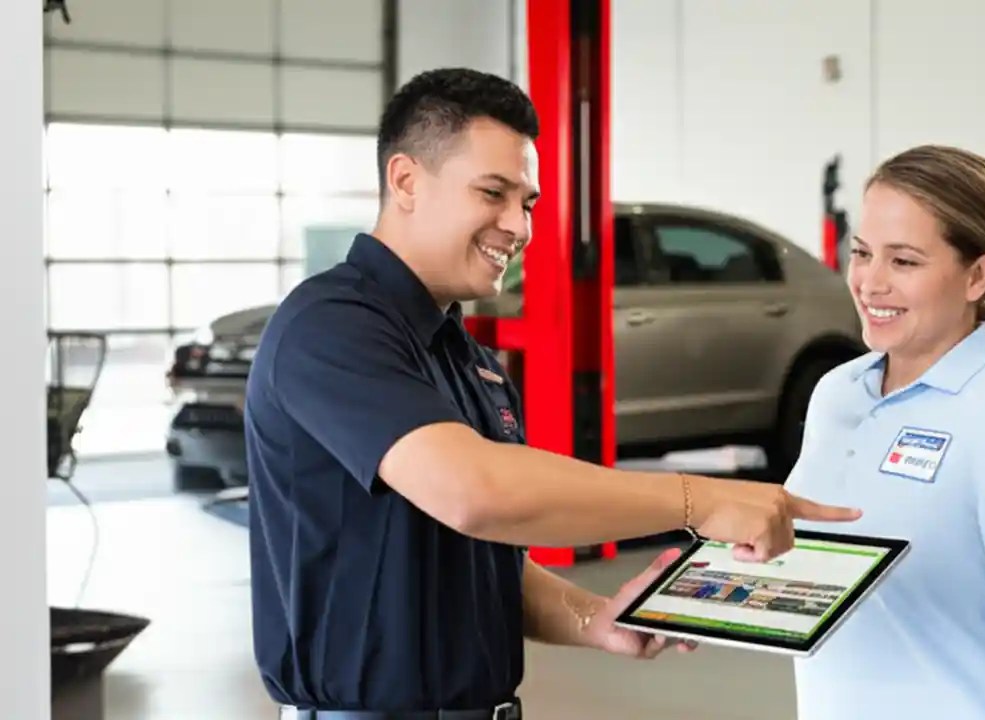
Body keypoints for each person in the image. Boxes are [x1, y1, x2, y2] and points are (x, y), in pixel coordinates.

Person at [244, 66, 861, 719]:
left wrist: (595, 617)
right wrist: (700, 500)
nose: (520, 226)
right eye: (493, 193)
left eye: (528, 202)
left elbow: (482, 557)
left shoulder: (469, 361)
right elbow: (476, 493)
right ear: (405, 181)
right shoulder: (331, 327)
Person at [785, 145, 985, 720]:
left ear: (977, 275)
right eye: (862, 253)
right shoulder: (837, 394)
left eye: (903, 262)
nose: (870, 283)